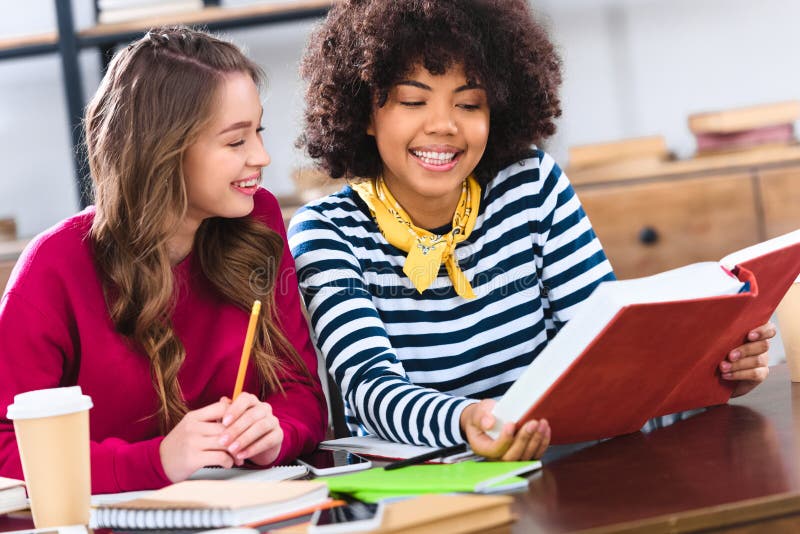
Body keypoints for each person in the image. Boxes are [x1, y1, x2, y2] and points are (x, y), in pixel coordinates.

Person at [288, 0, 774, 461]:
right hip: (425, 494)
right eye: (413, 100)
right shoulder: (328, 231)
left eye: (470, 104)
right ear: (364, 112)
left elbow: (606, 353)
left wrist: (712, 373)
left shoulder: (530, 183)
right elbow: (373, 392)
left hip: (561, 468)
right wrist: (470, 420)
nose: (444, 126)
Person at [0, 27, 327, 493]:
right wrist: (157, 461)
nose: (262, 156)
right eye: (236, 142)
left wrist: (277, 431)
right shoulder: (54, 267)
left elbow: (301, 391)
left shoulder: (260, 218)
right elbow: (8, 448)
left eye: (258, 131)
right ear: (162, 152)